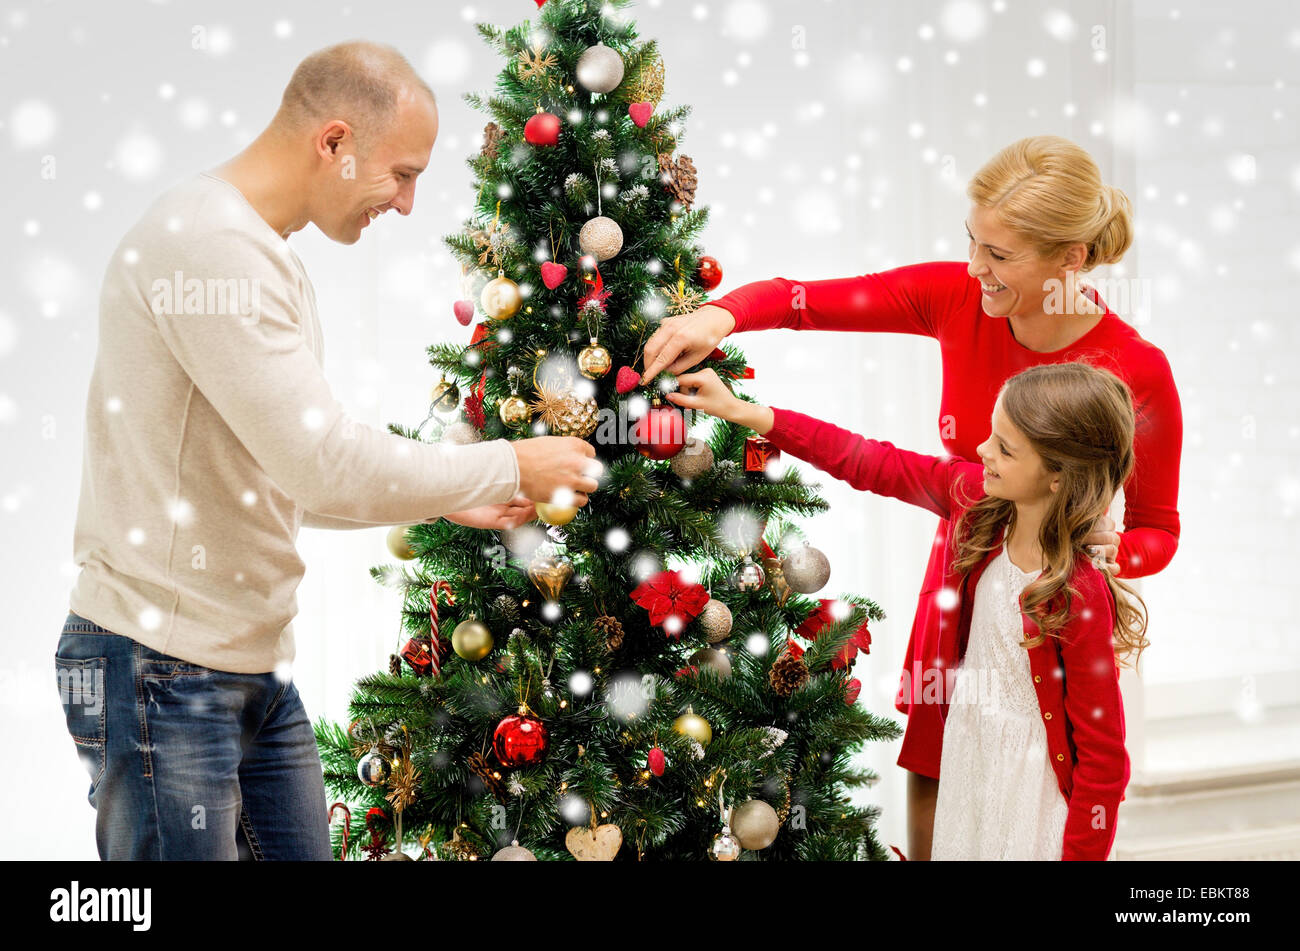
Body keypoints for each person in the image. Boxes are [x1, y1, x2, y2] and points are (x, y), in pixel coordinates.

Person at [54, 41, 600, 861]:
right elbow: (322, 459)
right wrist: (513, 461)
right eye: (402, 174)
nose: (410, 204)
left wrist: (448, 497)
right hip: (161, 671)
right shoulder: (211, 248)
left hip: (246, 669)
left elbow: (283, 474)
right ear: (334, 143)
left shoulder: (263, 255)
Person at [641, 135, 1182, 859]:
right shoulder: (958, 300)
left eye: (999, 254)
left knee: (1037, 789)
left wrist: (1112, 554)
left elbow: (1159, 529)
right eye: (973, 241)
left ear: (1070, 257)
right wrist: (720, 317)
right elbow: (809, 313)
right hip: (960, 583)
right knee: (943, 785)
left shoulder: (1137, 369)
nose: (973, 267)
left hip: (1051, 605)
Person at [668, 361, 1147, 860]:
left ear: (1057, 477)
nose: (982, 450)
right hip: (969, 764)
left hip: (1032, 795)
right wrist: (742, 411)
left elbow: (1104, 759)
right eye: (991, 434)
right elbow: (868, 461)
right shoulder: (977, 500)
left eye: (1005, 449)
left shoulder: (1080, 593)